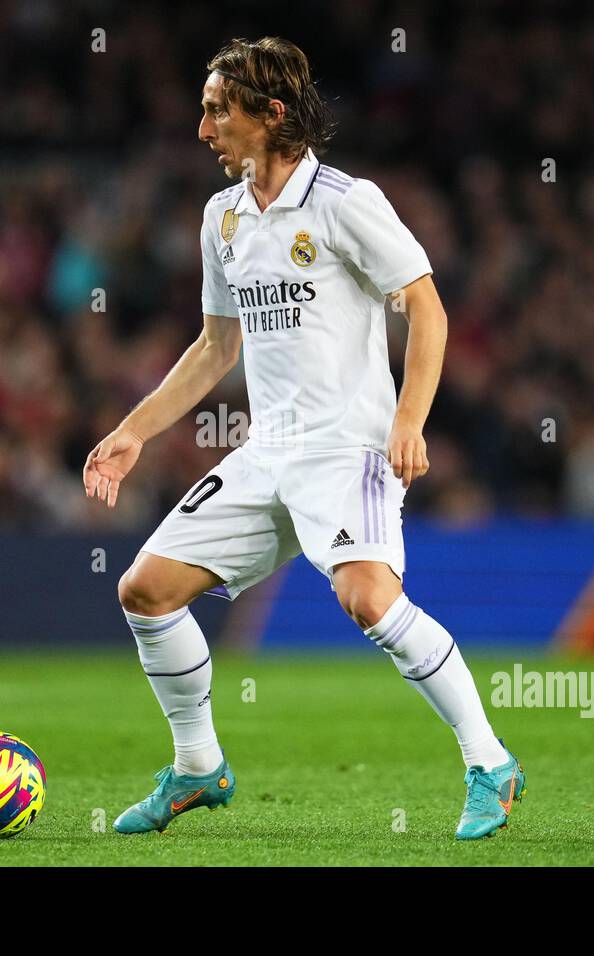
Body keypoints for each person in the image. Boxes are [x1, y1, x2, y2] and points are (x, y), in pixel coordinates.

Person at [83, 36, 525, 840]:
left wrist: (409, 421)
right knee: (144, 591)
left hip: (347, 446)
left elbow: (425, 307)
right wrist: (132, 430)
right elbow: (218, 345)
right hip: (267, 453)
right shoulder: (222, 219)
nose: (202, 126)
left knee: (368, 599)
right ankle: (197, 768)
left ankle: (489, 761)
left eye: (218, 109)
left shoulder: (346, 202)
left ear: (271, 114)